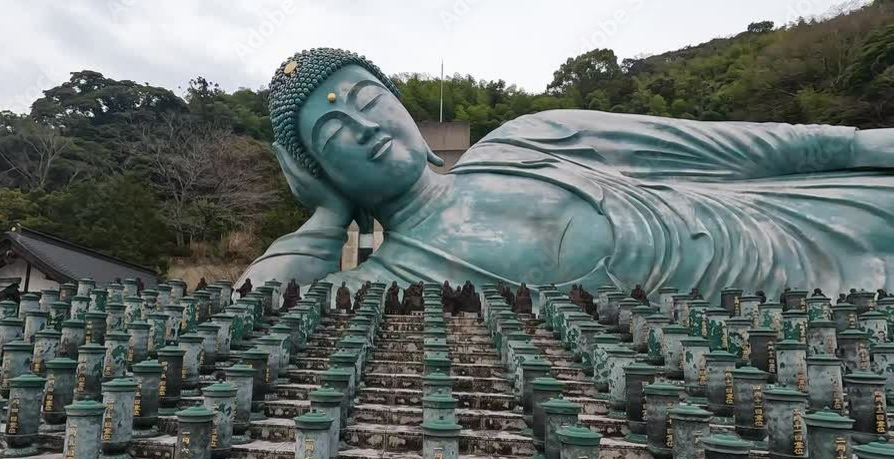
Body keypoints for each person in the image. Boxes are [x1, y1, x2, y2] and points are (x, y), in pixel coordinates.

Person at [239, 47, 894, 297]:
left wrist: (863, 145)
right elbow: (259, 311)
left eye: (368, 100)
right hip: (764, 333)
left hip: (804, 217)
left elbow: (725, 149)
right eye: (332, 135)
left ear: (401, 104)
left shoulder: (530, 139)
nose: (364, 128)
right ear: (320, 171)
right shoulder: (391, 280)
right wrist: (325, 215)